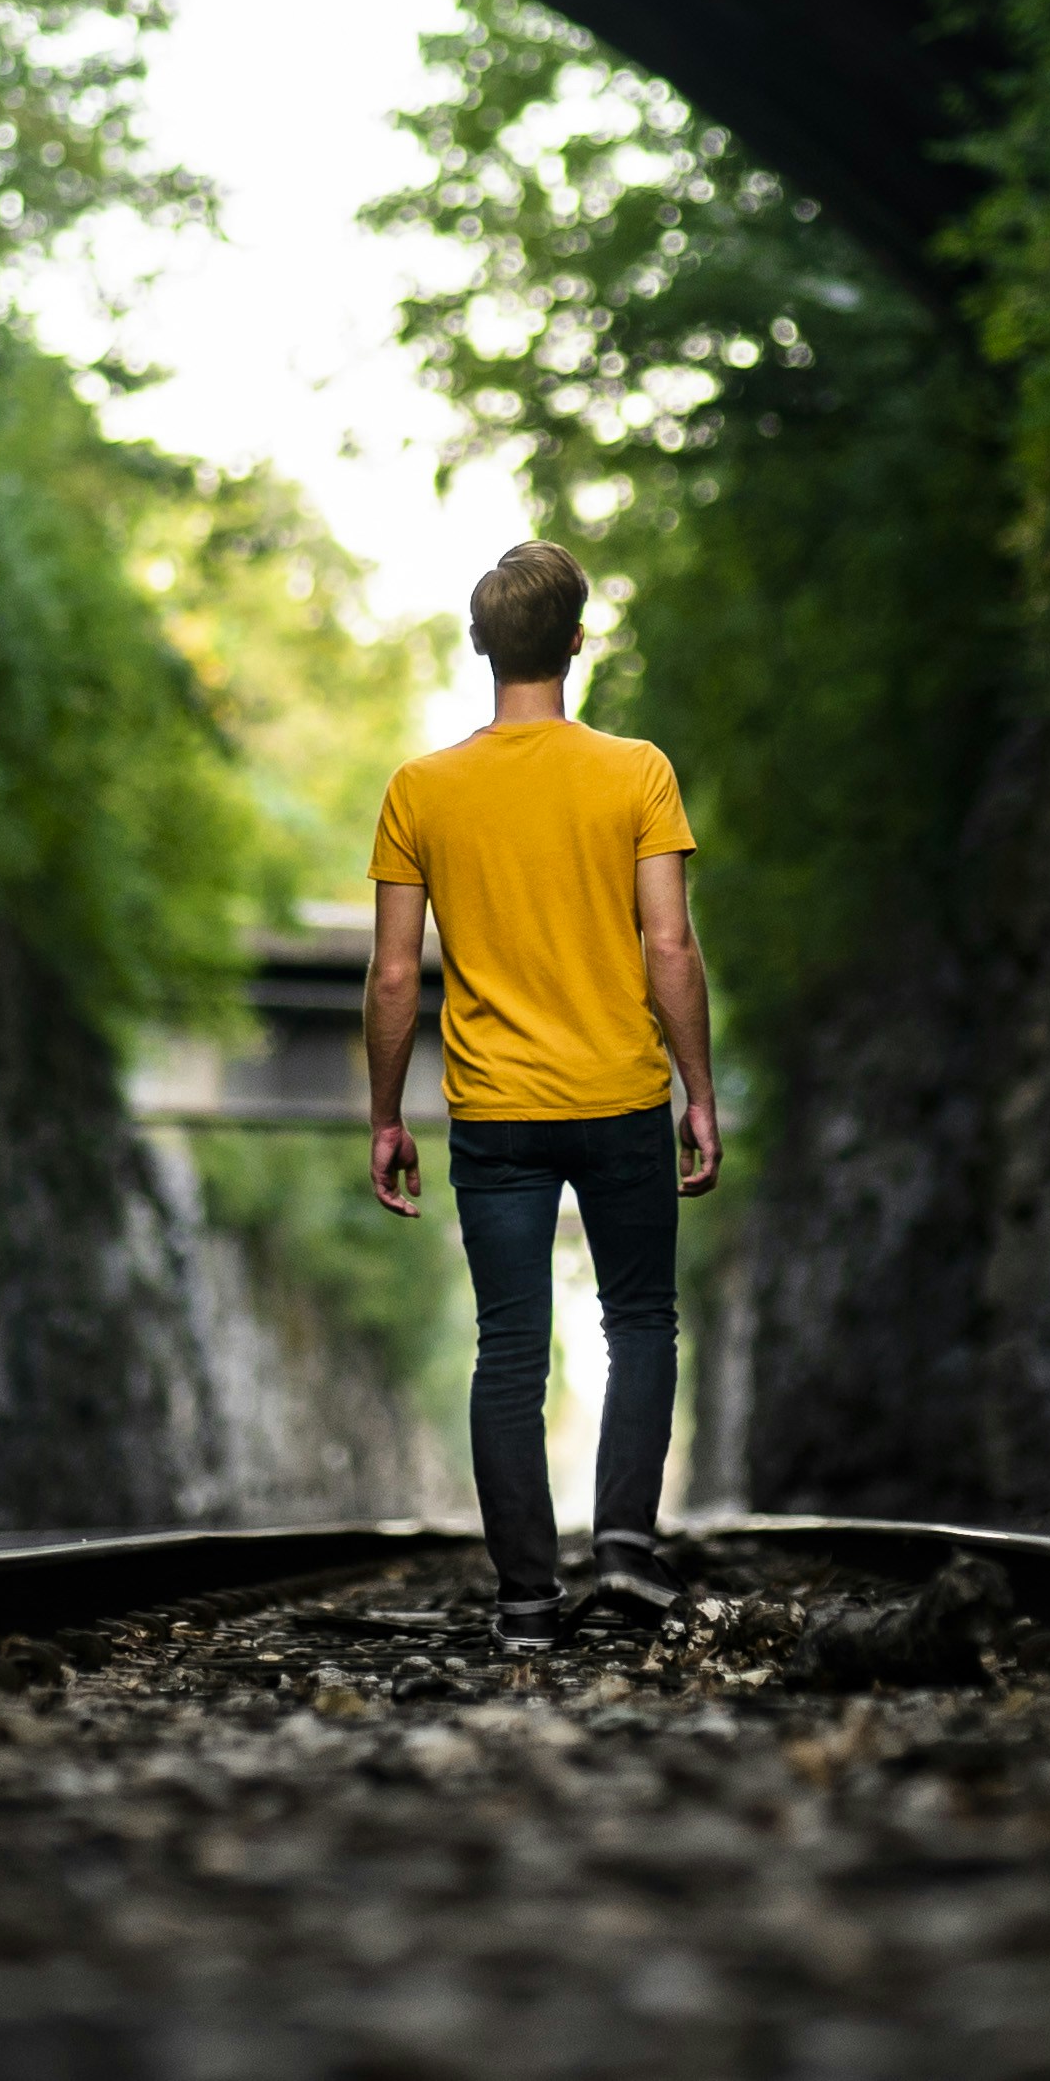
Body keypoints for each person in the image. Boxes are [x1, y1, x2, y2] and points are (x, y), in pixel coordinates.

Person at [362, 539, 720, 1654]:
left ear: (481, 646)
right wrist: (698, 1093)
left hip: (494, 1113)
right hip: (618, 1097)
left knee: (509, 1351)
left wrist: (385, 1115)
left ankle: (525, 1602)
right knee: (640, 1321)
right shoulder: (636, 772)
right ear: (575, 639)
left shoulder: (421, 789)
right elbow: (670, 946)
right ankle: (623, 1554)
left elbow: (393, 975)